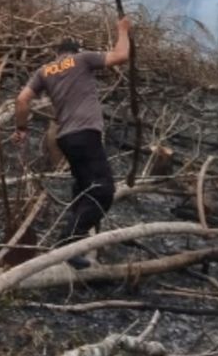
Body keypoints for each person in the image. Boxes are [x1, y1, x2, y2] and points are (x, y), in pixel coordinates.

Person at [13, 16, 131, 269]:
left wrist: (21, 128)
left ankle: (75, 242)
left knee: (84, 188)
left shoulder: (44, 71)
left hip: (65, 137)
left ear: (57, 54)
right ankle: (68, 245)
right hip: (86, 133)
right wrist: (122, 31)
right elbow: (121, 56)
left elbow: (22, 100)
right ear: (74, 52)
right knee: (103, 192)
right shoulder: (82, 59)